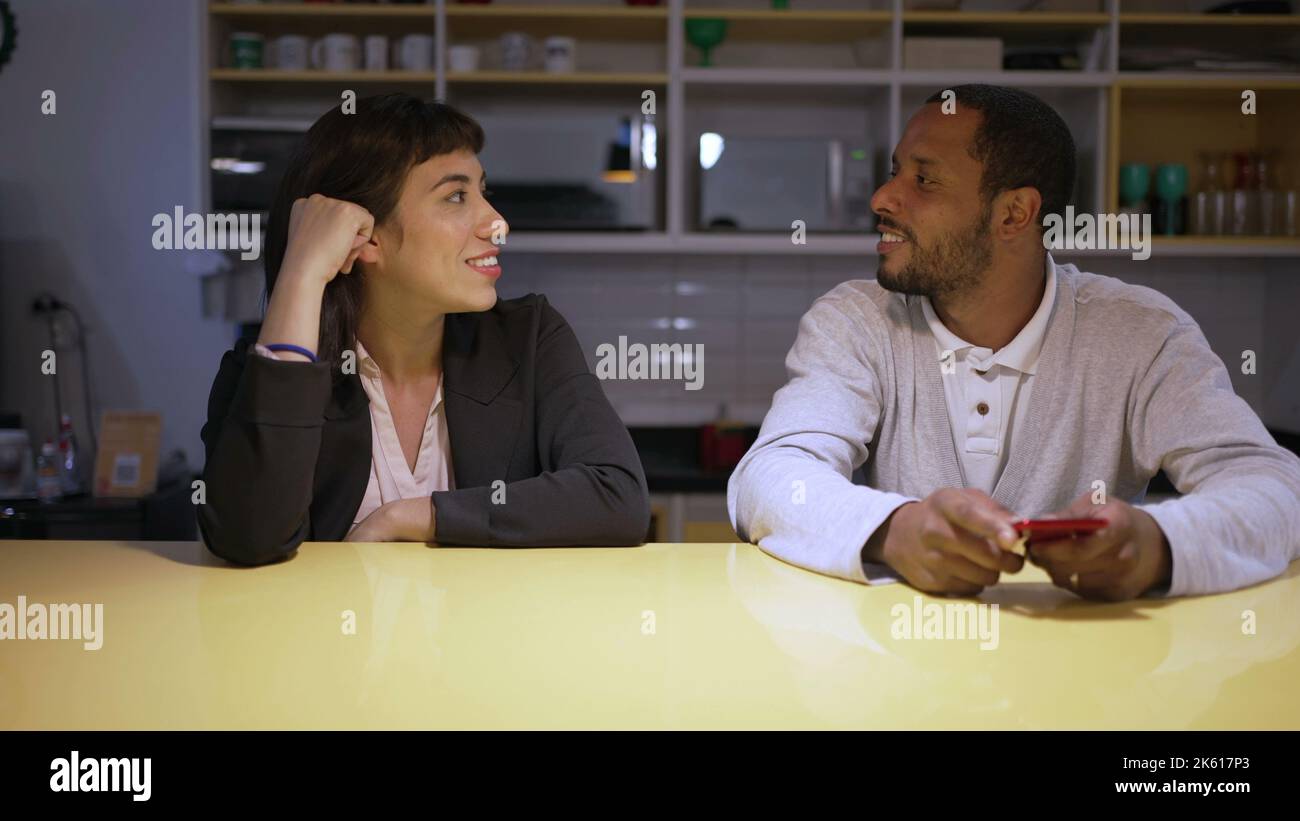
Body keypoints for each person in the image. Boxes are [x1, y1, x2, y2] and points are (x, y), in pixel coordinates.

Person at [728, 84, 1300, 601]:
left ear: (1014, 213)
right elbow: (772, 476)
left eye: (923, 179)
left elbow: (1276, 489)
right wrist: (895, 531)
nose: (882, 197)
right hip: (900, 685)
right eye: (895, 170)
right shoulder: (855, 321)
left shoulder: (1141, 333)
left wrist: (1157, 543)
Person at [199, 94, 650, 565]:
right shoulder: (268, 374)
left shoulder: (529, 339)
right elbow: (249, 539)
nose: (498, 224)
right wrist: (302, 273)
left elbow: (617, 495)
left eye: (482, 191)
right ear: (364, 236)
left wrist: (412, 517)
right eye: (456, 196)